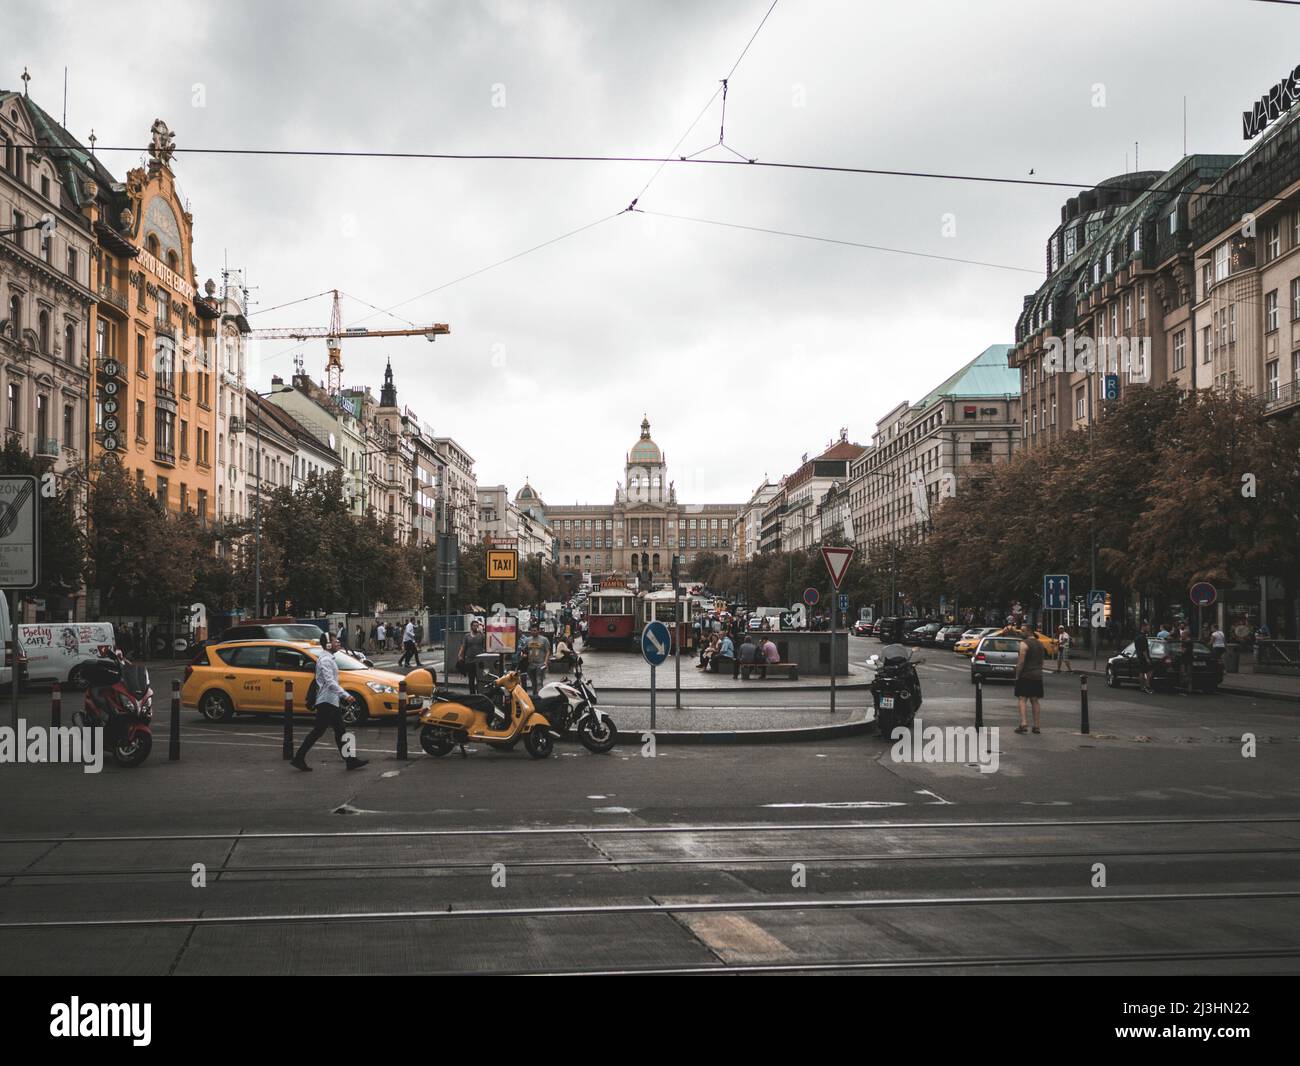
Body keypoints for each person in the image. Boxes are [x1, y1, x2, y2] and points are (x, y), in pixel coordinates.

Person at [291, 633, 368, 772]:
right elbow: (329, 682)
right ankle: (298, 758)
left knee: (340, 731)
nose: (338, 642)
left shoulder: (329, 658)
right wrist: (345, 695)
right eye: (334, 641)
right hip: (326, 701)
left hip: (331, 700)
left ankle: (350, 761)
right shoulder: (325, 660)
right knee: (319, 731)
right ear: (327, 644)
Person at [1013, 622, 1045, 734]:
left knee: (1022, 699)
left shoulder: (1024, 644)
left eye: (1023, 630)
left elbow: (1021, 661)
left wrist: (1017, 674)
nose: (1021, 632)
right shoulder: (1040, 644)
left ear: (1029, 631)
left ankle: (1023, 723)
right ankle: (1037, 726)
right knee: (1035, 700)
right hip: (1037, 675)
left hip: (1026, 675)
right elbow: (1042, 661)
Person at [517, 621, 551, 694]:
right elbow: (525, 650)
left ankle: (540, 697)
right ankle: (535, 696)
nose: (533, 632)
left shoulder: (544, 640)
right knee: (533, 682)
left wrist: (545, 662)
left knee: (539, 682)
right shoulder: (528, 640)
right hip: (531, 664)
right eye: (532, 630)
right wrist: (523, 654)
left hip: (540, 664)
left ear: (538, 630)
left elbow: (548, 651)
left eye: (535, 630)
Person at [458, 620, 486, 693]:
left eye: (477, 626)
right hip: (470, 661)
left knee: (480, 679)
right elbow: (463, 646)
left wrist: (482, 632)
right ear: (471, 626)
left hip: (479, 661)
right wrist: (460, 655)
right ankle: (472, 694)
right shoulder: (467, 636)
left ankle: (480, 693)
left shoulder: (481, 635)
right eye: (474, 626)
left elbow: (486, 644)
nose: (476, 627)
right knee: (471, 679)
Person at [1134, 621, 1154, 694]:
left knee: (1141, 671)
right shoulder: (1143, 637)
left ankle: (1142, 687)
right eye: (1148, 626)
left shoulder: (1137, 636)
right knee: (1150, 670)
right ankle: (1147, 685)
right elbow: (1144, 649)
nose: (1149, 628)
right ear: (1143, 627)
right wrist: (1147, 658)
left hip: (1139, 656)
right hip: (1143, 657)